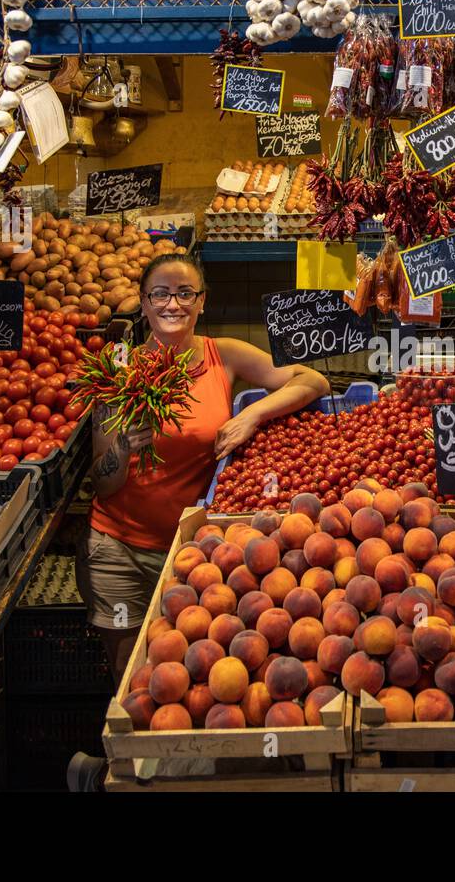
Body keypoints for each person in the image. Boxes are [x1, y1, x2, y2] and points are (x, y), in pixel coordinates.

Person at [77, 254, 330, 680]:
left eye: (184, 293)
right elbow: (104, 484)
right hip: (118, 550)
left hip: (194, 549)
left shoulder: (223, 355)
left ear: (202, 302)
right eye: (159, 293)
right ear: (143, 303)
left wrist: (252, 415)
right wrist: (123, 444)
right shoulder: (120, 374)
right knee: (131, 676)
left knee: (191, 665)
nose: (172, 304)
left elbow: (312, 381)